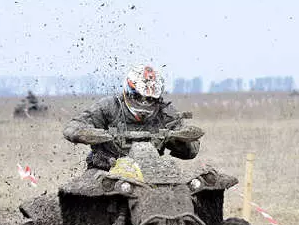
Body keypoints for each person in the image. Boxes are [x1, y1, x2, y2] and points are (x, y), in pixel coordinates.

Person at [63, 64, 200, 170]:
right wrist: (84, 133)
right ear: (129, 91)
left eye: (150, 99)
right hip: (105, 169)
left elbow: (192, 149)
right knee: (87, 195)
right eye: (139, 97)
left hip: (151, 170)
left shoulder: (166, 113)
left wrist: (178, 139)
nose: (145, 103)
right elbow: (73, 125)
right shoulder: (109, 106)